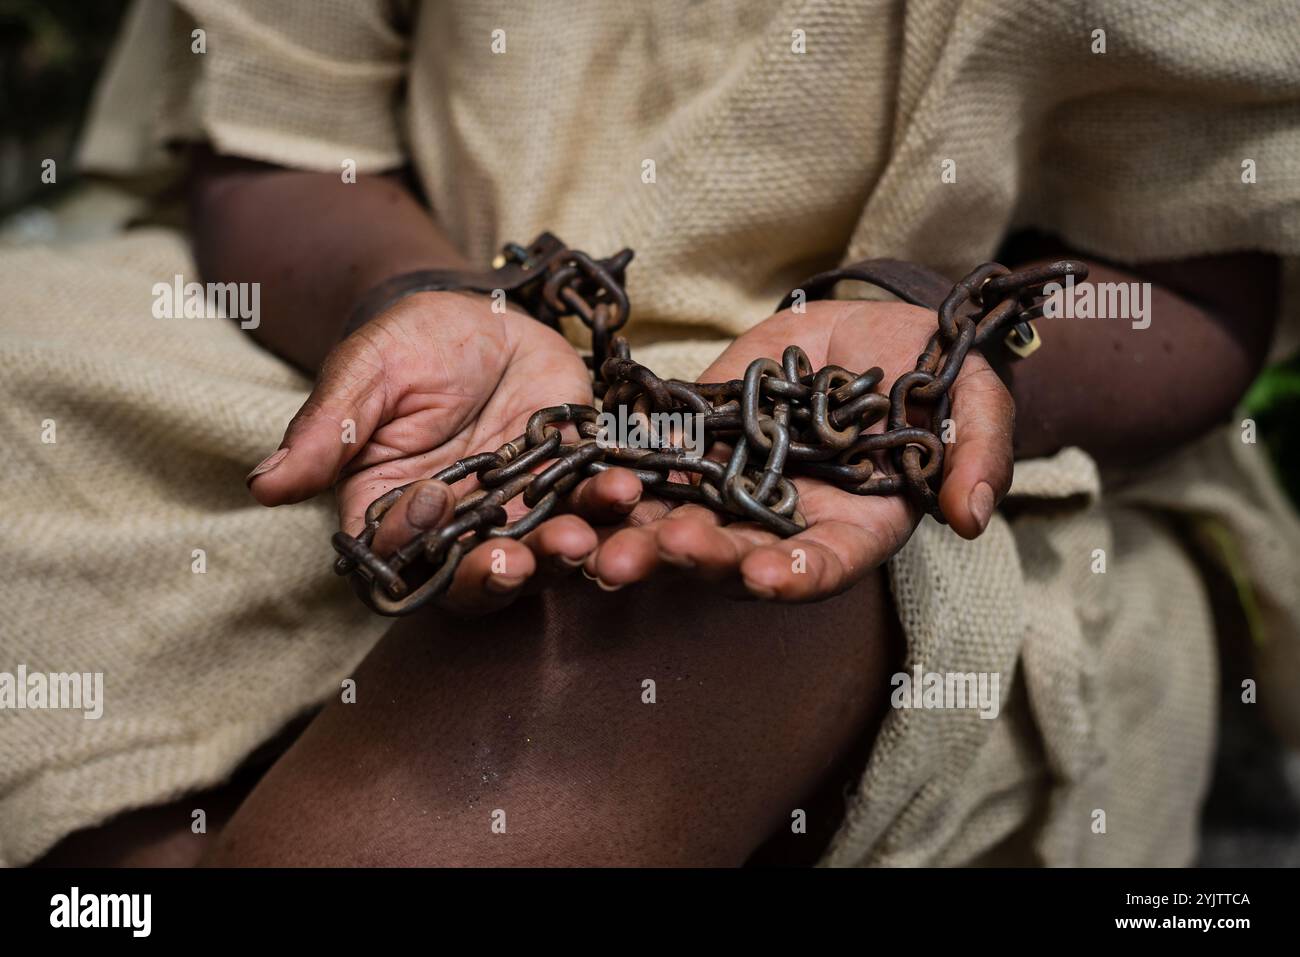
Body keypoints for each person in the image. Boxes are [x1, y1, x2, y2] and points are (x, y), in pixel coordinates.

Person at [5, 0, 1299, 866]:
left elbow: (1193, 277)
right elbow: (281, 149)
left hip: (933, 459)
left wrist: (935, 338)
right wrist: (427, 299)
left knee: (654, 622)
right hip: (387, 328)